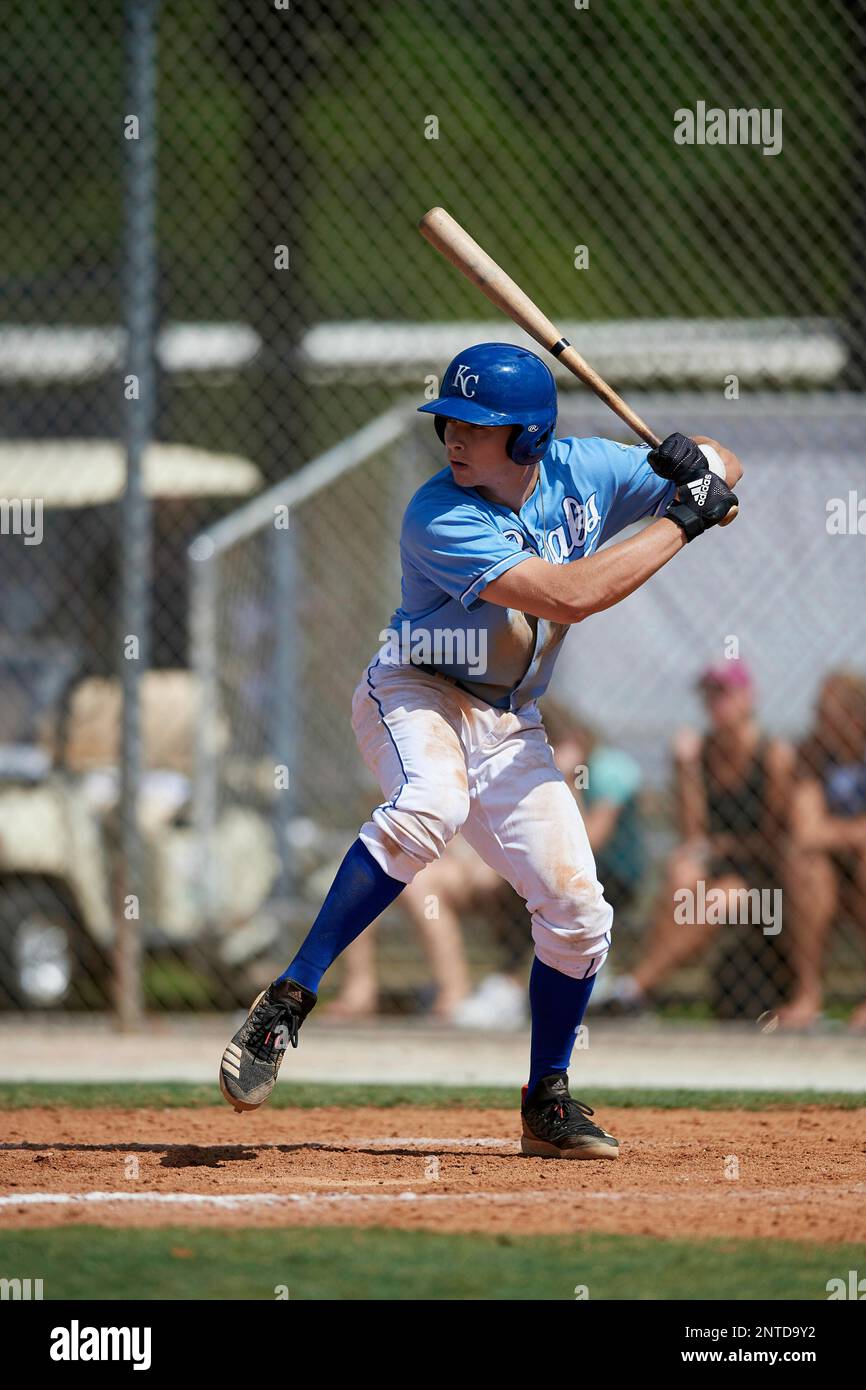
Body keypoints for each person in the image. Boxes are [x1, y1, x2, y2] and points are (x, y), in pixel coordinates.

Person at [218, 340, 741, 1159]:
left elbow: (725, 465)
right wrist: (684, 517)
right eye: (449, 423)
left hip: (510, 724)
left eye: (476, 426)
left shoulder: (587, 471)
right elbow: (574, 595)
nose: (454, 439)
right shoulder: (439, 512)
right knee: (432, 803)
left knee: (578, 912)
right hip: (415, 691)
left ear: (529, 439)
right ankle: (289, 997)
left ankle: (547, 1100)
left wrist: (694, 462)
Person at [595, 660, 793, 1016]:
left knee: (717, 899)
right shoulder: (700, 752)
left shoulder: (773, 754)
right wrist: (686, 770)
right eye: (709, 694)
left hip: (762, 871)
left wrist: (725, 847)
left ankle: (635, 988)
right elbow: (693, 834)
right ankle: (637, 992)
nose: (715, 703)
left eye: (724, 693)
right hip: (714, 862)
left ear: (748, 698)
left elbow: (775, 838)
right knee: (681, 873)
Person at [451, 701, 647, 1028]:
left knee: (557, 886)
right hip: (556, 877)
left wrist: (567, 776)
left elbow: (587, 842)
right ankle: (512, 986)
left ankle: (537, 983)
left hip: (613, 877)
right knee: (517, 883)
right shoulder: (529, 769)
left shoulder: (612, 767)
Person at [776, 671, 866, 1030]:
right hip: (829, 870)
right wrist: (855, 832)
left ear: (855, 716)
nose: (818, 720)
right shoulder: (811, 754)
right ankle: (808, 995)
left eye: (827, 712)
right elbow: (807, 832)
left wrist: (841, 833)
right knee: (805, 865)